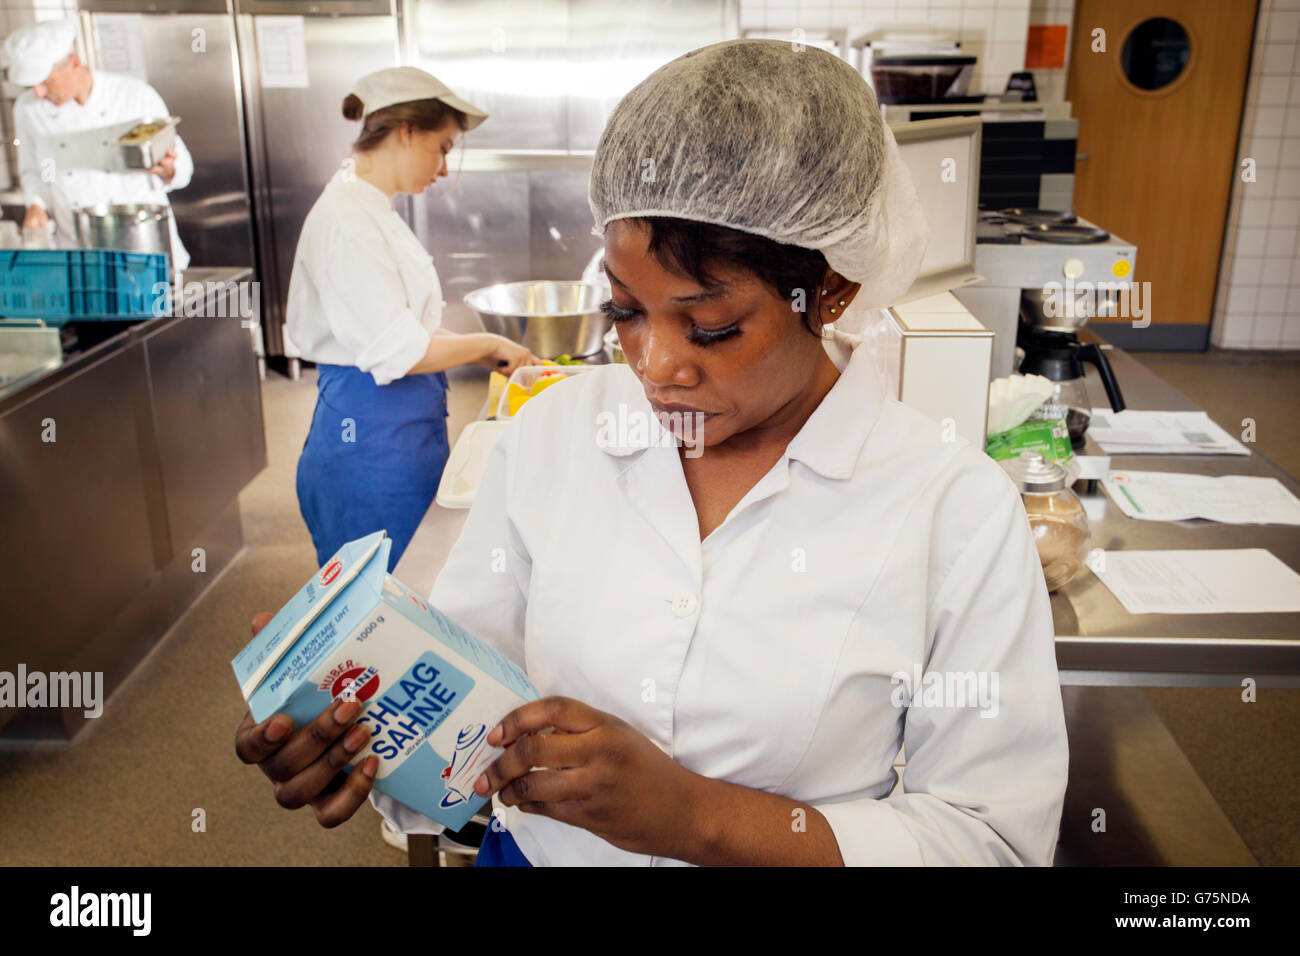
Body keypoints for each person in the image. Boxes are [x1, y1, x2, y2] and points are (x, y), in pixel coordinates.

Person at [236, 40, 1069, 866]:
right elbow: (467, 702)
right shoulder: (554, 437)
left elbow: (990, 838)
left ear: (833, 289)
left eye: (711, 327)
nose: (655, 367)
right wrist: (365, 736)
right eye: (626, 312)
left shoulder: (951, 507)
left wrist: (695, 818)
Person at [287, 67, 538, 573]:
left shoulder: (370, 209)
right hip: (370, 443)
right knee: (376, 612)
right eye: (442, 147)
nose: (444, 168)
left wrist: (487, 349)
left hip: (397, 428)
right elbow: (400, 351)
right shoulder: (349, 222)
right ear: (406, 132)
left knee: (407, 592)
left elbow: (402, 329)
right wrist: (486, 340)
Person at [5, 20, 193, 268]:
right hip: (79, 252)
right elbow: (35, 173)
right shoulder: (28, 109)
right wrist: (37, 205)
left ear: (73, 63)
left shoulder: (133, 96)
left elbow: (182, 167)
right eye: (32, 85)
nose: (38, 92)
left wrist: (169, 169)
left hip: (142, 243)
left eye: (46, 81)